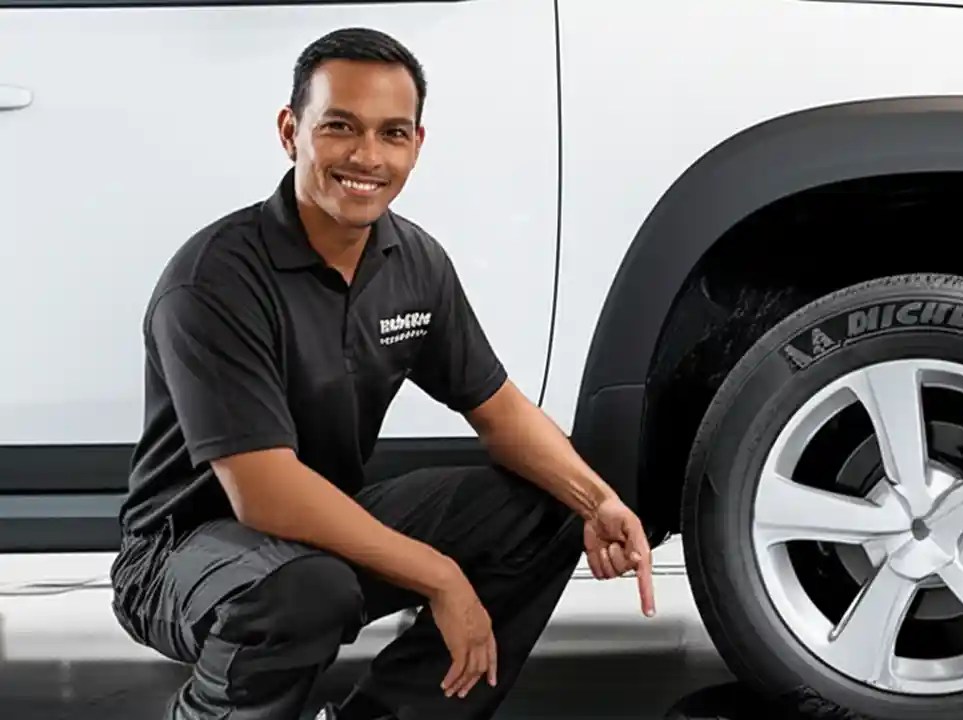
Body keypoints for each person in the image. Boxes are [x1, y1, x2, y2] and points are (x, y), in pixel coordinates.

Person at [107, 26, 655, 720]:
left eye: (392, 133)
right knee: (307, 593)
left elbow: (501, 411)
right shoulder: (214, 279)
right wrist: (441, 577)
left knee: (544, 508)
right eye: (340, 127)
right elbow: (264, 495)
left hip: (318, 535)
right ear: (290, 131)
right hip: (184, 554)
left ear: (417, 145)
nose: (367, 156)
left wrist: (596, 500)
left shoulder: (413, 263)